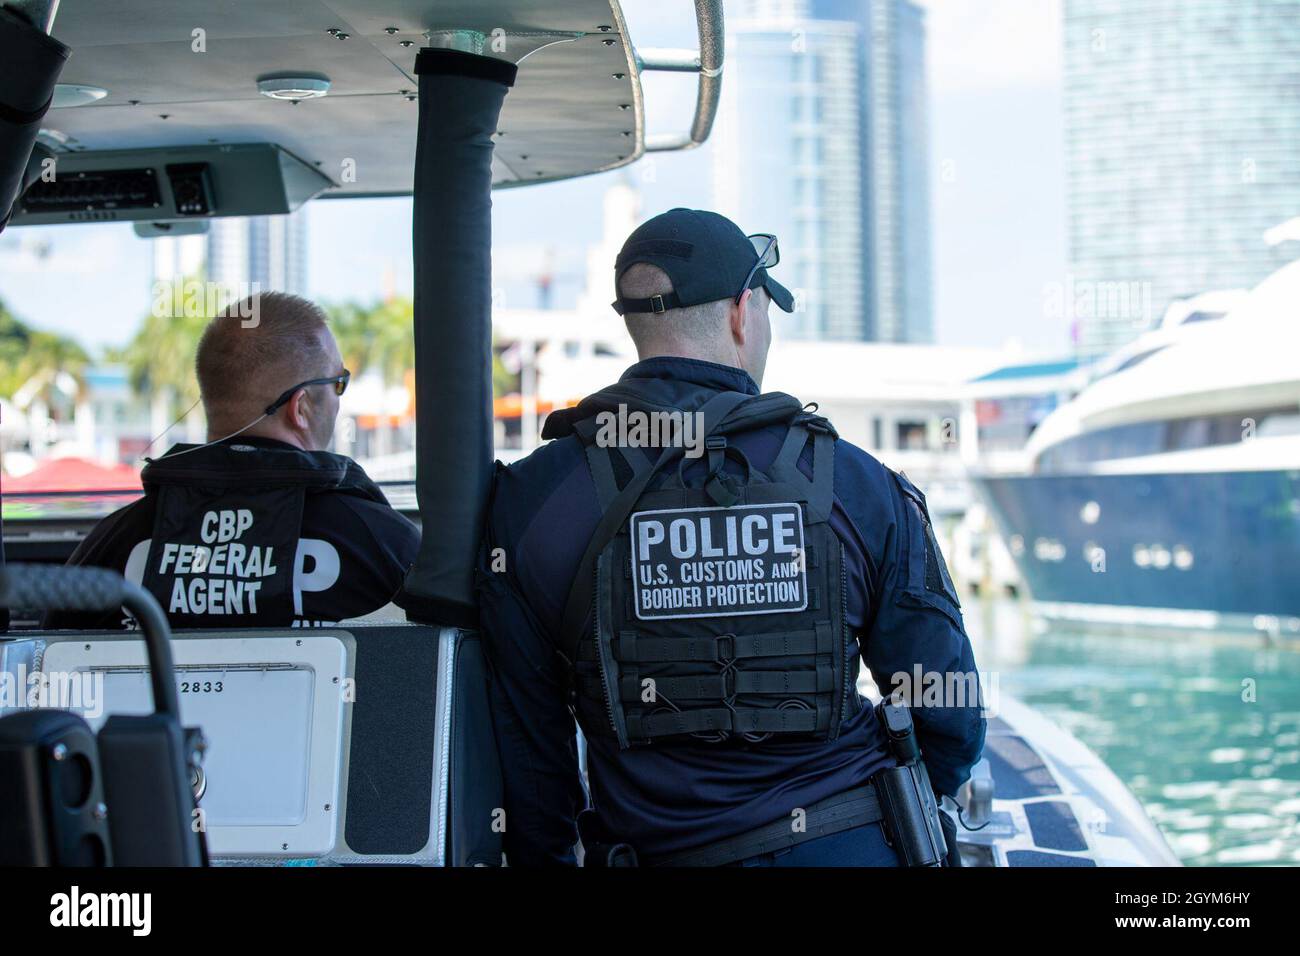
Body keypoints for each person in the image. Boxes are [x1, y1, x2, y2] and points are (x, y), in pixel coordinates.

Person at [477, 208, 986, 867]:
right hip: (854, 844)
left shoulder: (532, 501)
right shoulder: (858, 486)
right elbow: (946, 712)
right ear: (743, 313)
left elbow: (530, 760)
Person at [46, 291, 419, 630]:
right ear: (300, 406)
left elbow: (49, 660)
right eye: (338, 382)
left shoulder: (115, 540)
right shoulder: (377, 540)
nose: (339, 399)